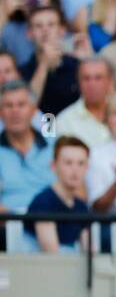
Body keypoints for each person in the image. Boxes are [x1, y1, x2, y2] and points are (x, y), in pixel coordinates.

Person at [24, 135, 92, 253]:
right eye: (68, 163)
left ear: (87, 168)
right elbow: (53, 256)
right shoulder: (43, 203)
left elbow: (91, 255)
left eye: (81, 163)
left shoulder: (81, 207)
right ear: (54, 166)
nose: (75, 169)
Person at [0, 80, 54, 212]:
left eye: (21, 105)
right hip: (7, 227)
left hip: (53, 223)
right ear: (0, 112)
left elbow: (78, 194)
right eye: (8, 105)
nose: (15, 111)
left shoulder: (56, 146)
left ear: (33, 110)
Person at [53, 58, 114, 147]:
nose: (92, 84)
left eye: (98, 78)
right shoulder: (64, 121)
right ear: (78, 82)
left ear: (110, 81)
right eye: (86, 78)